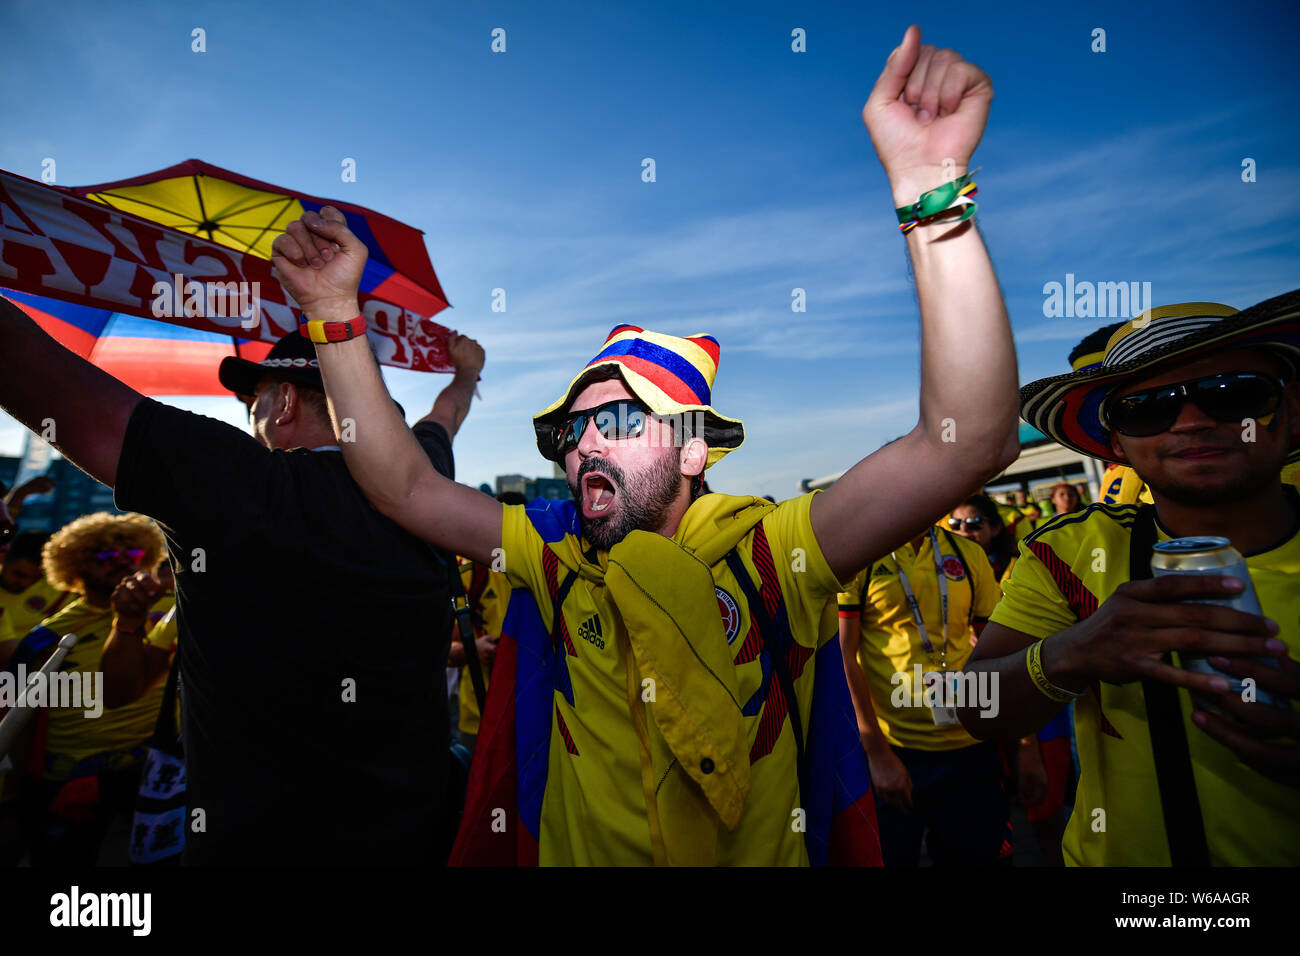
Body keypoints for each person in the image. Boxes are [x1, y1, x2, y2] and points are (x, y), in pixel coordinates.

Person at [271, 25, 1021, 865]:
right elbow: (401, 487)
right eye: (570, 428)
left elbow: (968, 444)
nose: (585, 443)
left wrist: (932, 193)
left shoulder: (773, 556)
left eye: (623, 421)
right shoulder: (553, 556)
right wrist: (333, 317)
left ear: (696, 452)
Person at [0, 301, 486, 866]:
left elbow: (25, 365)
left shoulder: (232, 480)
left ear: (282, 402)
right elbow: (445, 415)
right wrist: (467, 370)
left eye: (252, 400)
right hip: (415, 833)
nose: (248, 418)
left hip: (257, 846)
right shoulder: (427, 481)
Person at [959, 294, 1300, 866]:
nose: (1192, 421)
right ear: (1116, 443)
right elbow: (966, 704)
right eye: (1147, 407)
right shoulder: (1067, 551)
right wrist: (1069, 655)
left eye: (1233, 393)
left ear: (1291, 410)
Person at [837, 518, 1008, 866]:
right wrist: (877, 755)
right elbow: (844, 656)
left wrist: (1025, 743)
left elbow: (998, 651)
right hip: (897, 751)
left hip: (972, 749)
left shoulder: (968, 552)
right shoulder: (861, 553)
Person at [5, 512, 173, 865]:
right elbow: (18, 715)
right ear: (75, 564)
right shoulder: (48, 635)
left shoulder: (169, 609)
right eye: (106, 556)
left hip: (149, 768)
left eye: (135, 554)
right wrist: (21, 788)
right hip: (68, 778)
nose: (124, 562)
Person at [0, 531, 71, 665]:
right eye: (19, 574)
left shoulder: (62, 591)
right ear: (2, 559)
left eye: (37, 578)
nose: (26, 583)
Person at [947, 494, 1018, 582]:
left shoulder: (1017, 566)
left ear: (995, 528)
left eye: (973, 522)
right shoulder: (941, 566)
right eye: (955, 523)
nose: (963, 529)